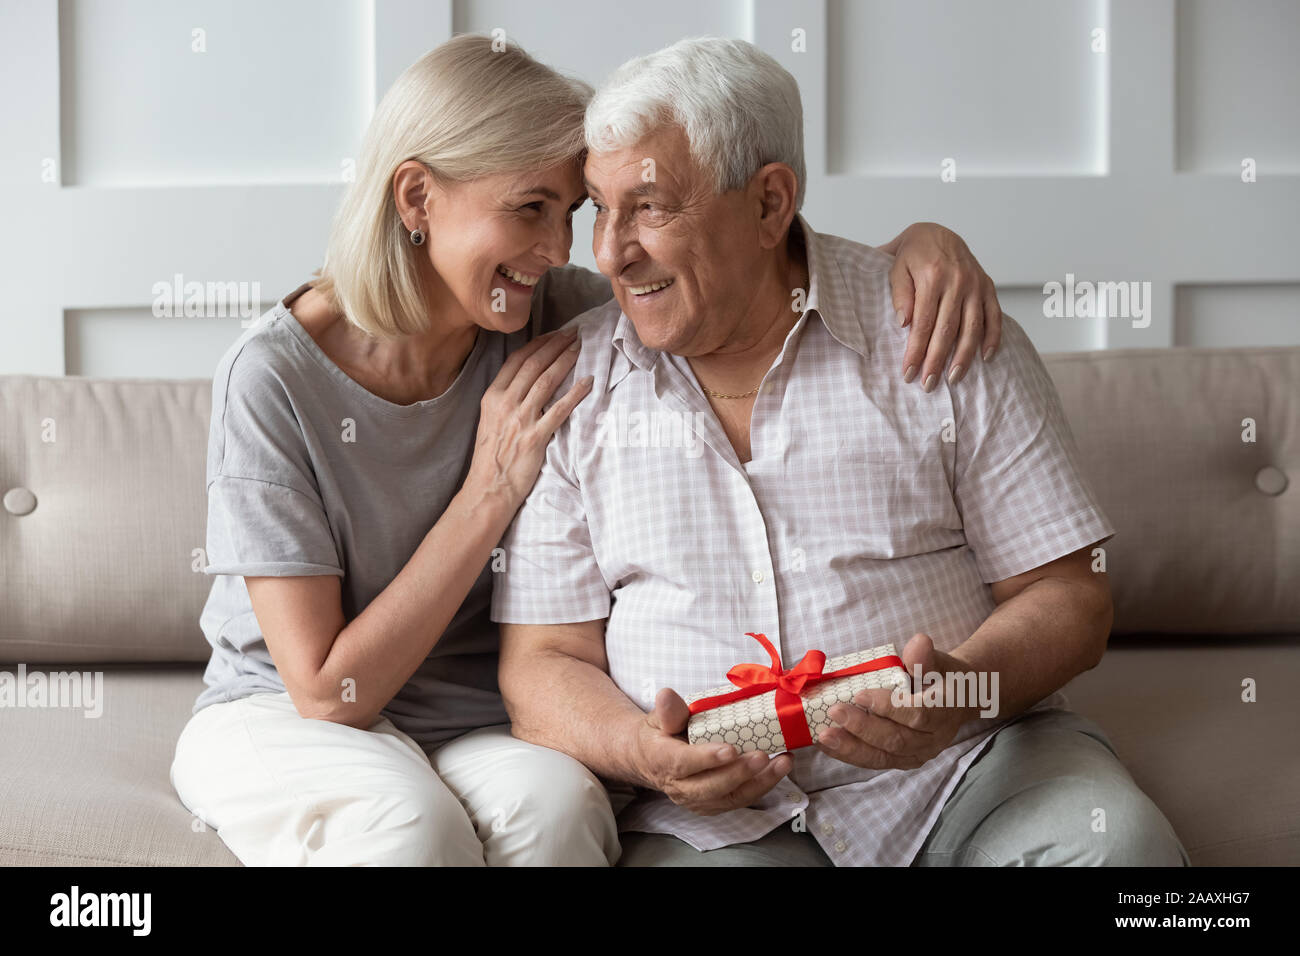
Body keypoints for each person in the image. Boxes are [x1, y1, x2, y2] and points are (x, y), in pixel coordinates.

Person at [170, 33, 1007, 866]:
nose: (565, 250)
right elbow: (328, 690)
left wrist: (919, 247)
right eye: (530, 208)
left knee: (562, 811)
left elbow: (746, 272)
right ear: (418, 197)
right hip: (288, 715)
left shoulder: (543, 314)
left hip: (469, 720)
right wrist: (490, 489)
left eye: (572, 211)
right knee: (410, 828)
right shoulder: (272, 377)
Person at [492, 36, 1190, 867]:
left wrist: (961, 689)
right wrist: (639, 752)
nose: (610, 251)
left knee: (1118, 850)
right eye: (601, 210)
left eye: (649, 208)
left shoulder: (938, 328)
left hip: (968, 768)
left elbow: (1069, 594)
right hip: (717, 825)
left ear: (769, 203)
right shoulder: (571, 387)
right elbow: (543, 662)